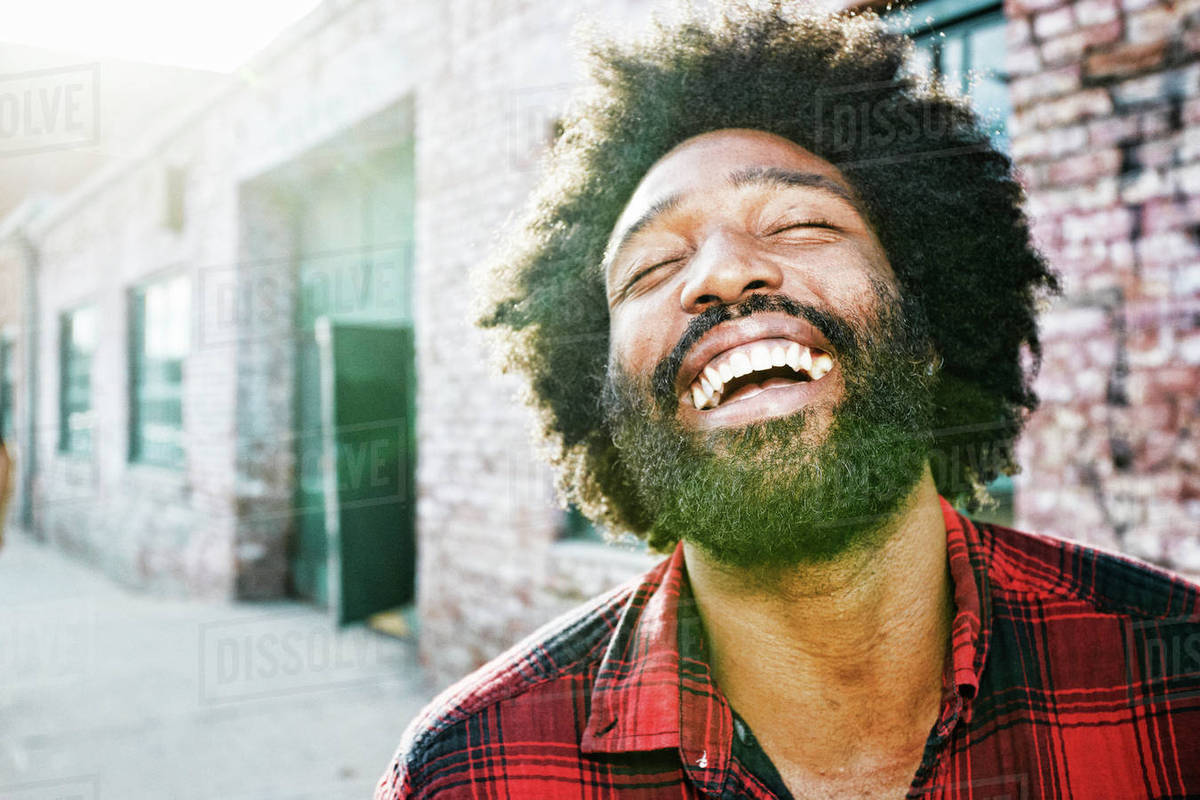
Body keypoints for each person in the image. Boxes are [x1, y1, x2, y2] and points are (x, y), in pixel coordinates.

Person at [377, 5, 1200, 798]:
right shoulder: (468, 772)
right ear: (602, 403)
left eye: (800, 223)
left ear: (934, 308)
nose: (722, 273)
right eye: (651, 268)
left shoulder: (1177, 676)